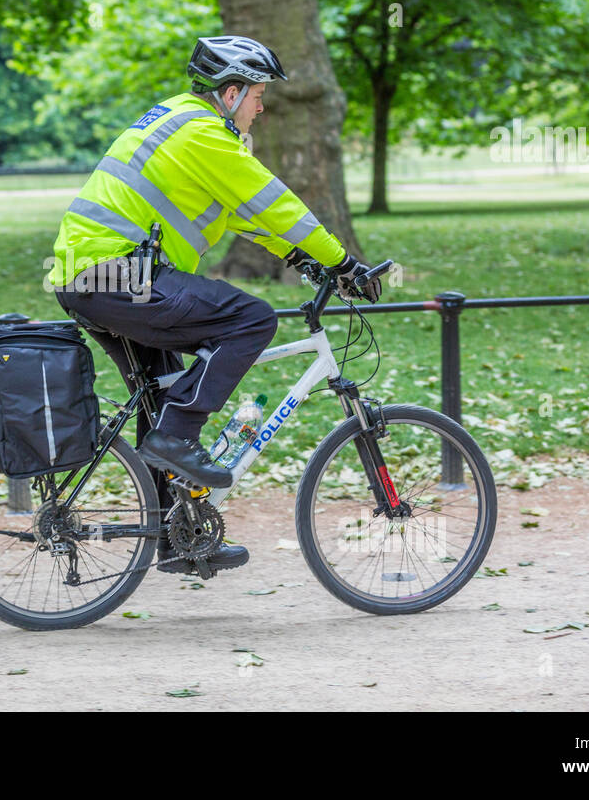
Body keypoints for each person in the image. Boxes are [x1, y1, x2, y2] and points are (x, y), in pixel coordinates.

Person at [48, 34, 382, 576]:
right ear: (230, 92)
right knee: (251, 319)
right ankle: (178, 435)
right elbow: (274, 201)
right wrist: (342, 262)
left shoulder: (187, 125)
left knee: (161, 400)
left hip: (96, 275)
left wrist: (305, 261)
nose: (262, 106)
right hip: (114, 274)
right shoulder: (203, 132)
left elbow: (251, 218)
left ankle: (179, 538)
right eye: (257, 93)